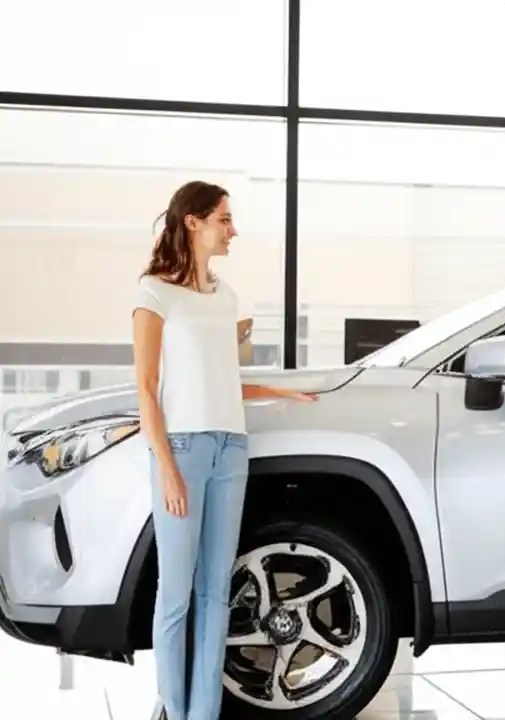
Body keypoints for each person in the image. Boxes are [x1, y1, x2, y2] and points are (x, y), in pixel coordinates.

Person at [132, 181, 318, 720]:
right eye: (224, 219)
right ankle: (172, 709)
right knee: (176, 596)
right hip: (183, 451)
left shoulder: (227, 297)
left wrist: (279, 391)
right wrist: (166, 466)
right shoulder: (154, 293)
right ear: (193, 222)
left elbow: (222, 378)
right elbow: (147, 387)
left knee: (216, 593)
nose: (232, 229)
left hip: (231, 448)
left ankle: (204, 714)